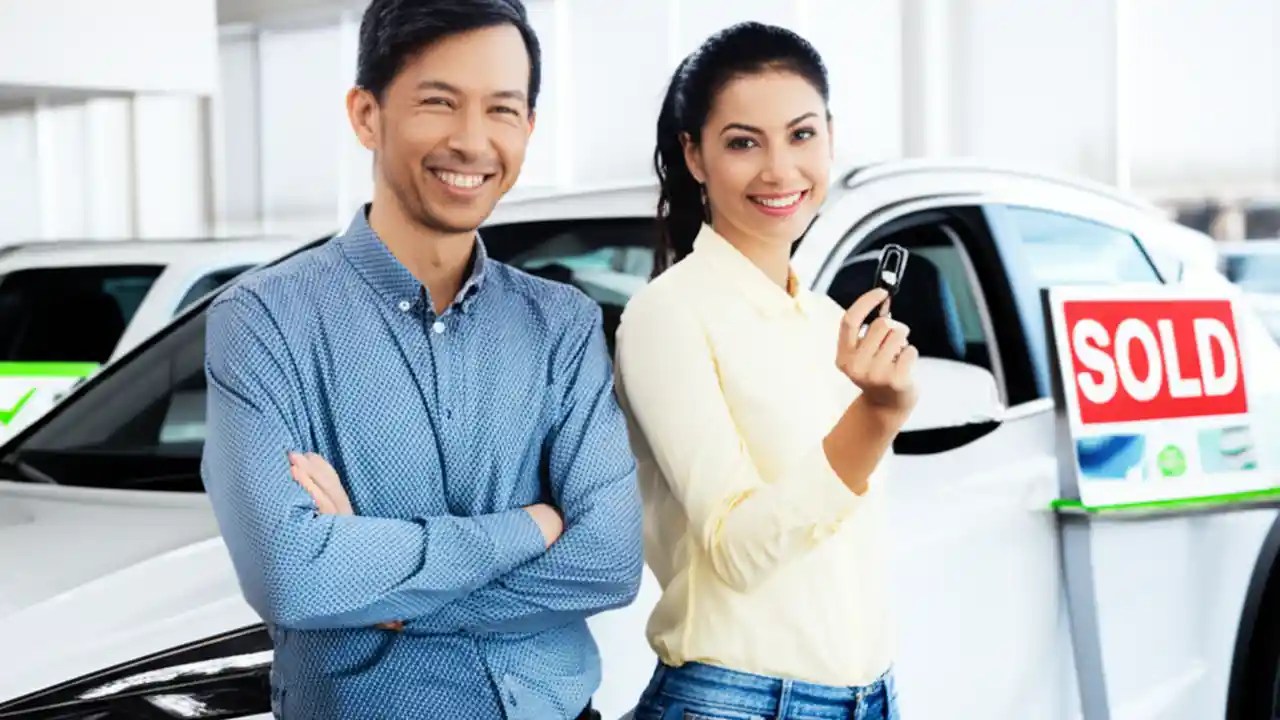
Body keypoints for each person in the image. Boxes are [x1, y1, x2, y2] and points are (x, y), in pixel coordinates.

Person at [200, 1, 642, 718]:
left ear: (528, 127)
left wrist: (385, 594)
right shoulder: (263, 319)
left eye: (502, 109)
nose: (472, 141)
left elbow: (609, 562)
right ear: (366, 115)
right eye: (439, 102)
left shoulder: (561, 322)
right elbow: (292, 575)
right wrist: (532, 526)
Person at [615, 22, 915, 720]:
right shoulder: (669, 314)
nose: (780, 170)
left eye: (801, 135)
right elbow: (738, 549)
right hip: (740, 702)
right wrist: (876, 418)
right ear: (694, 155)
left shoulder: (825, 319)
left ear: (831, 138)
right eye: (743, 143)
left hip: (871, 696)